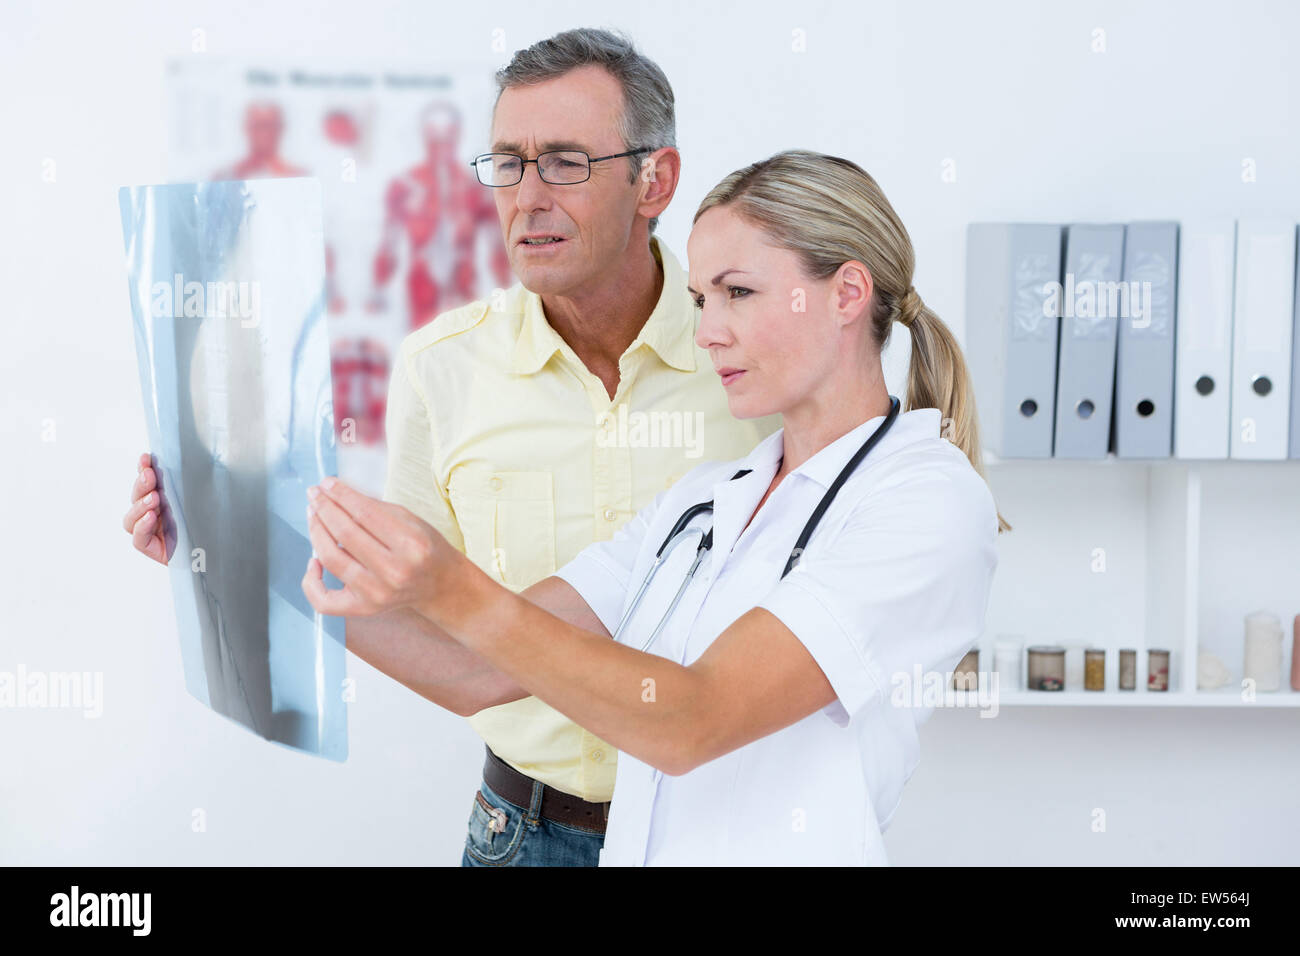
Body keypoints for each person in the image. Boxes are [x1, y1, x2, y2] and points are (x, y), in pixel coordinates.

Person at [123, 27, 775, 867]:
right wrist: (219, 542)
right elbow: (424, 617)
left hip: (724, 832)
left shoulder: (755, 363)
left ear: (657, 180)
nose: (527, 196)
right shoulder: (444, 367)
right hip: (525, 835)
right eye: (508, 162)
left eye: (566, 162)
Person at [299, 148, 1011, 866]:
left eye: (738, 293)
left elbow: (692, 720)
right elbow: (472, 669)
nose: (707, 332)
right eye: (702, 300)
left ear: (847, 293)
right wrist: (246, 548)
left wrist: (454, 589)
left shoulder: (926, 500)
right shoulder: (702, 502)